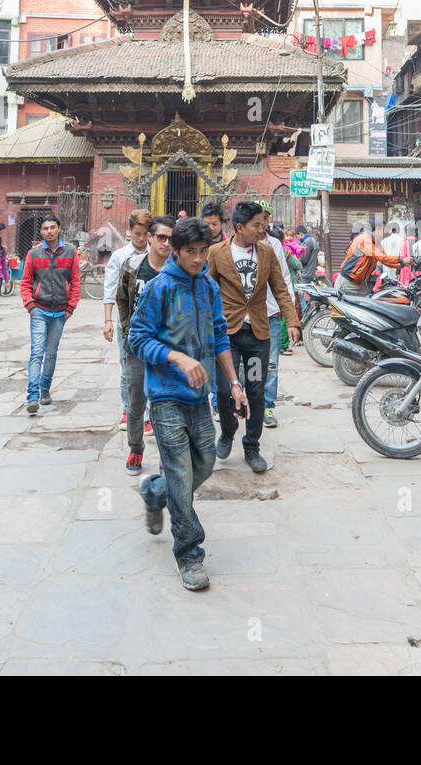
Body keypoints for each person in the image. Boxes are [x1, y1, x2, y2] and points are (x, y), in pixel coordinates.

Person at [129, 217, 249, 592]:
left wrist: (233, 383)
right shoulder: (158, 288)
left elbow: (219, 336)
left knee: (206, 463)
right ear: (175, 251)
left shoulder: (209, 287)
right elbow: (137, 339)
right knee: (181, 473)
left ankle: (155, 492)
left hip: (201, 397)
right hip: (165, 396)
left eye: (203, 252)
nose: (198, 259)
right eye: (191, 253)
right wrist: (176, 357)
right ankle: (189, 552)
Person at [206, 201, 300, 472]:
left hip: (258, 336)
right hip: (228, 337)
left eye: (263, 224)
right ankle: (227, 431)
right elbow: (207, 289)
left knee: (256, 390)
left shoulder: (268, 252)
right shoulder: (217, 253)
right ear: (239, 227)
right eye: (257, 225)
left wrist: (292, 321)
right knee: (224, 390)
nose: (263, 229)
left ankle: (252, 445)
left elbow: (281, 290)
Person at [116, 214, 174, 474]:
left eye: (171, 239)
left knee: (165, 405)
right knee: (136, 404)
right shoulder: (132, 266)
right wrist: (128, 332)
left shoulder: (178, 270)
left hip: (166, 348)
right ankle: (136, 450)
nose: (165, 243)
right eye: (161, 237)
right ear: (149, 237)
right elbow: (122, 300)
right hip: (137, 346)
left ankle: (167, 456)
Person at [19, 213, 81, 414]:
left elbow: (75, 281)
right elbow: (26, 282)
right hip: (39, 309)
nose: (49, 231)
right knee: (37, 352)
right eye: (45, 228)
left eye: (52, 227)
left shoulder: (70, 252)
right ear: (41, 231)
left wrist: (70, 307)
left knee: (51, 353)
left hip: (60, 312)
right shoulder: (33, 254)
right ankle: (32, 396)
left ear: (59, 228)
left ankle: (45, 388)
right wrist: (30, 306)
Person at [103, 210, 153, 429]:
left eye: (145, 234)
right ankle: (128, 410)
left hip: (153, 321)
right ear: (130, 231)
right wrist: (108, 321)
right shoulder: (120, 256)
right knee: (127, 368)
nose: (141, 239)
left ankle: (150, 414)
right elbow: (110, 289)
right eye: (137, 234)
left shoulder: (158, 253)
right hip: (128, 321)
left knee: (152, 366)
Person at [258, 203, 298, 428]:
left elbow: (284, 279)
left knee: (272, 362)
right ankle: (251, 400)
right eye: (259, 218)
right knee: (250, 363)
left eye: (265, 218)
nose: (262, 223)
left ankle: (268, 404)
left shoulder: (275, 246)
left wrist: (290, 314)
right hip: (248, 317)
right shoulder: (238, 246)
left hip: (272, 313)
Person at [338, 218, 407, 296]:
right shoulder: (364, 239)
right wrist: (402, 261)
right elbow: (382, 257)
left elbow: (385, 260)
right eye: (384, 230)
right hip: (348, 282)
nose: (385, 233)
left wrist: (402, 264)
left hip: (361, 283)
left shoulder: (377, 243)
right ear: (377, 229)